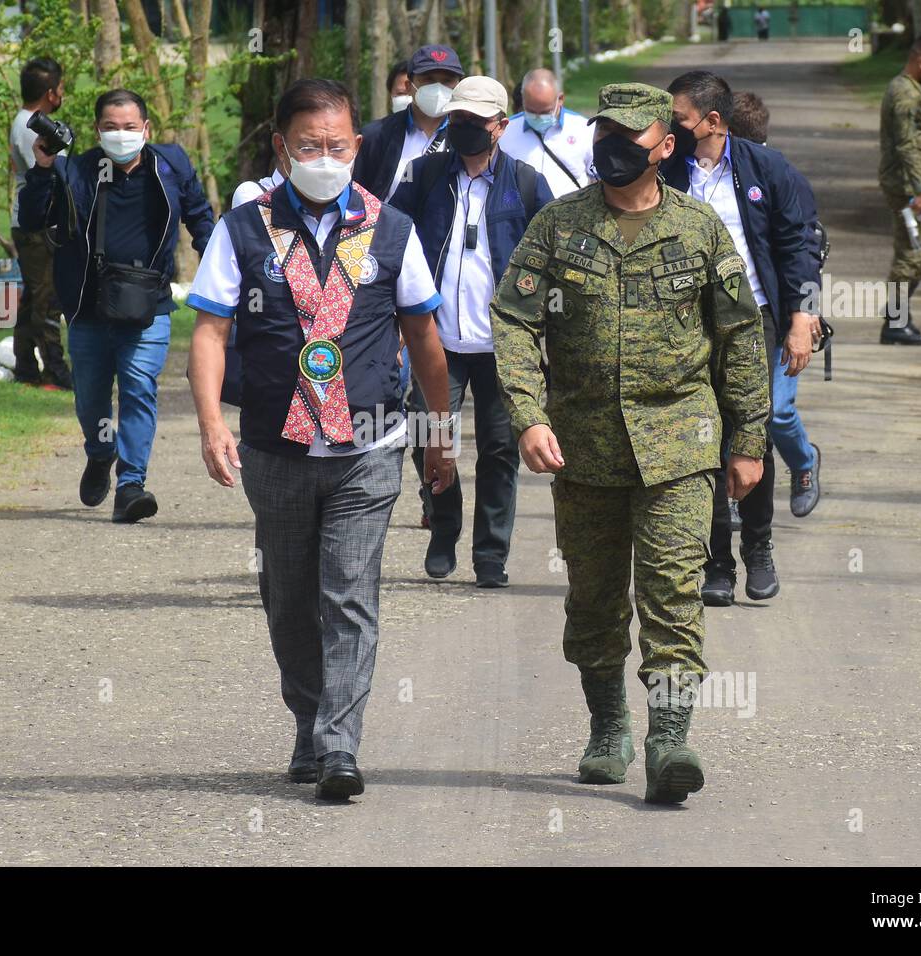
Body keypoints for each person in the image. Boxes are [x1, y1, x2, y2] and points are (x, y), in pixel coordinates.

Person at [491, 82, 769, 805]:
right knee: (594, 601)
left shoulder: (701, 230)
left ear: (665, 147)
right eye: (603, 136)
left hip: (680, 442)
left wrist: (748, 440)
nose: (612, 151)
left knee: (673, 590)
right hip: (582, 447)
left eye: (630, 139)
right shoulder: (558, 226)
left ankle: (669, 739)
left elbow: (740, 337)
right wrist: (528, 412)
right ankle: (608, 727)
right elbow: (514, 319)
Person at [187, 79, 456, 801]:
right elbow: (211, 330)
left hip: (367, 449)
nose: (326, 157)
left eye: (338, 146)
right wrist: (211, 423)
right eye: (309, 146)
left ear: (358, 147)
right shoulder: (244, 227)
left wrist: (440, 430)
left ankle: (339, 748)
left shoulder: (391, 228)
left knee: (348, 593)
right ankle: (309, 725)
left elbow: (424, 338)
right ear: (281, 147)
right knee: (289, 598)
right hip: (274, 449)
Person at [661, 70, 820, 605]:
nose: (671, 128)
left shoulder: (766, 168)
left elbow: (798, 245)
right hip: (686, 323)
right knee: (703, 439)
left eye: (679, 119)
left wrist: (802, 317)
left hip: (755, 321)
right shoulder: (663, 168)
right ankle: (716, 562)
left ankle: (758, 546)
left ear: (712, 120)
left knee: (753, 432)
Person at [19, 89, 215, 523]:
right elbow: (33, 219)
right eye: (111, 127)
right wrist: (42, 168)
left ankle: (131, 485)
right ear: (96, 130)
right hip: (88, 307)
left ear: (146, 129)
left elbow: (200, 216)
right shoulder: (77, 169)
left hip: (148, 304)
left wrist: (222, 269)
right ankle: (100, 450)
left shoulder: (172, 164)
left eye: (130, 127)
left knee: (138, 388)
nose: (121, 135)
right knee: (90, 399)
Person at [390, 76, 552, 587]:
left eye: (474, 122)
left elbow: (551, 261)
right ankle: (443, 527)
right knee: (427, 433)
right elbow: (388, 242)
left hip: (504, 343)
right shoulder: (423, 175)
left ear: (501, 127)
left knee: (500, 447)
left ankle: (490, 553)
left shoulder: (527, 183)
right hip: (436, 338)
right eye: (455, 119)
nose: (461, 129)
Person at [729, 89, 824, 520]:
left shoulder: (781, 176)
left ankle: (804, 463)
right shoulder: (710, 176)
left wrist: (805, 315)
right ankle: (732, 493)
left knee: (778, 411)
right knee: (734, 411)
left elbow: (806, 250)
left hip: (784, 318)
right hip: (733, 318)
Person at [878, 33, 921, 346]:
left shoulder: (908, 88)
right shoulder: (906, 95)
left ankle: (897, 314)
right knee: (911, 252)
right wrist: (920, 191)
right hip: (909, 189)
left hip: (915, 187)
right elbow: (908, 145)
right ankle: (895, 322)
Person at [9, 57, 72, 390]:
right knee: (48, 297)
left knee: (34, 296)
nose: (62, 93)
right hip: (37, 225)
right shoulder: (30, 125)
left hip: (31, 223)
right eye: (60, 87)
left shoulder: (28, 120)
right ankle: (55, 372)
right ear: (50, 92)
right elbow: (46, 176)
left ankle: (25, 367)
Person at [352, 44, 464, 200]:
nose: (438, 89)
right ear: (409, 86)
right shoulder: (375, 136)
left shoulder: (467, 138)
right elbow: (356, 196)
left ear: (458, 86)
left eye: (447, 81)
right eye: (428, 80)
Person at [497, 68, 596, 199]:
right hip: (521, 216)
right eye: (531, 111)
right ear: (523, 99)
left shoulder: (585, 129)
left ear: (560, 99)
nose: (537, 117)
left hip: (571, 215)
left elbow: (599, 177)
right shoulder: (505, 131)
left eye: (545, 112)